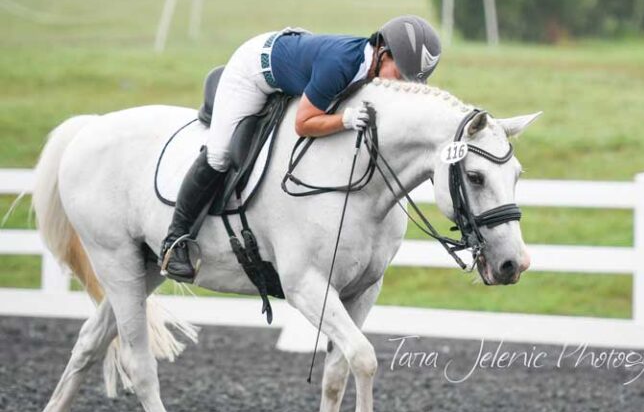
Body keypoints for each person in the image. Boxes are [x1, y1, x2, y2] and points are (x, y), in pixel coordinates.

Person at [159, 15, 442, 281]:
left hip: (294, 56)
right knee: (219, 155)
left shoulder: (371, 69)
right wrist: (345, 120)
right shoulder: (341, 64)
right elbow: (304, 123)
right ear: (382, 52)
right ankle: (174, 241)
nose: (400, 85)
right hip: (252, 73)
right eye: (400, 75)